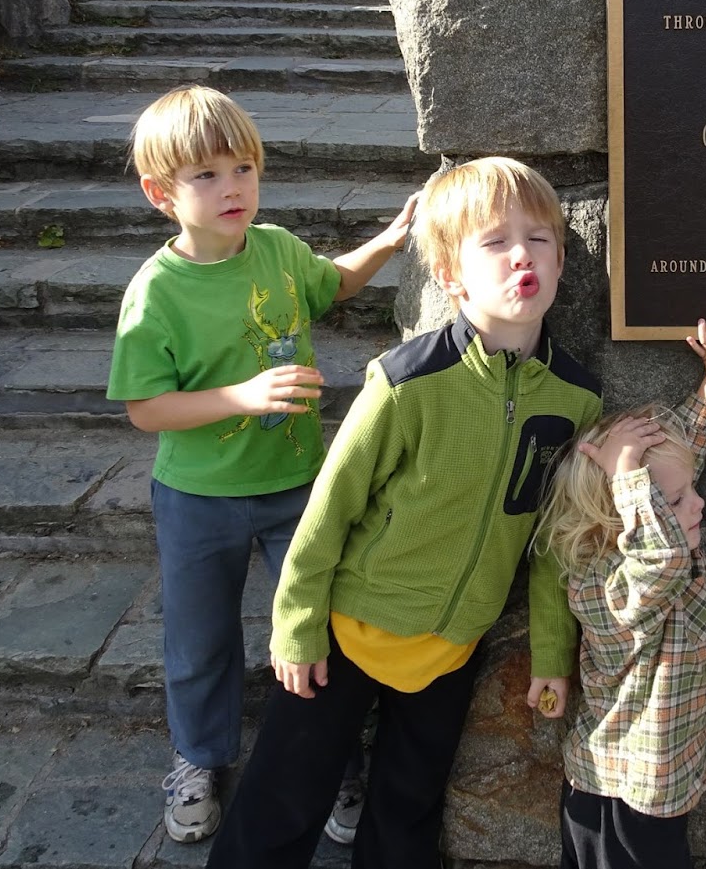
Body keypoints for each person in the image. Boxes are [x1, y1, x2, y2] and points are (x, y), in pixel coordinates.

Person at [206, 156, 602, 869]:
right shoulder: (406, 382)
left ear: (562, 257)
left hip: (452, 646)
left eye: (539, 238)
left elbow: (551, 539)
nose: (522, 254)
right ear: (450, 274)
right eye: (495, 241)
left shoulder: (575, 398)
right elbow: (328, 511)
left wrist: (551, 650)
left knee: (407, 809)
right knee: (282, 801)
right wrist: (296, 627)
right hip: (347, 631)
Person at [106, 84, 414, 844]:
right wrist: (240, 395)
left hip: (298, 487)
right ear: (160, 193)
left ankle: (332, 757)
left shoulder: (276, 249)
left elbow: (330, 283)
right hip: (198, 497)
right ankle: (199, 757)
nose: (232, 186)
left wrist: (388, 240)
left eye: (243, 166)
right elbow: (146, 408)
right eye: (205, 175)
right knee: (201, 635)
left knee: (317, 624)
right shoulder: (156, 293)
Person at [536, 313, 706, 869]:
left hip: (641, 780)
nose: (698, 503)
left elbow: (677, 465)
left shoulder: (649, 530)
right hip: (626, 790)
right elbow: (660, 555)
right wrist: (629, 477)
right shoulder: (609, 583)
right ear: (626, 511)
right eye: (680, 501)